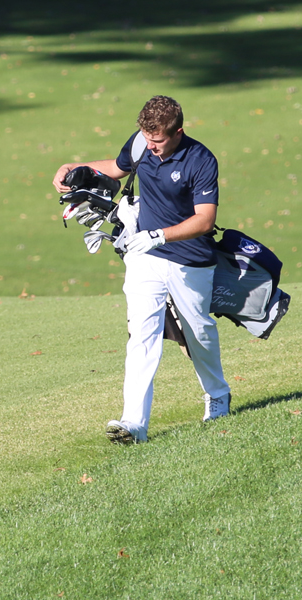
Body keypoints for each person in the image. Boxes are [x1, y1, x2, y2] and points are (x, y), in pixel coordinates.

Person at [52, 95, 231, 444]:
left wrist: (160, 236)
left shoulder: (200, 159)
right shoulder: (141, 144)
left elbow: (206, 220)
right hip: (144, 258)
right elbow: (116, 167)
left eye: (158, 140)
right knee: (142, 336)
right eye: (147, 139)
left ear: (178, 131)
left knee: (198, 332)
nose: (151, 147)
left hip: (189, 260)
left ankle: (218, 394)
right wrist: (74, 167)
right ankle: (133, 423)